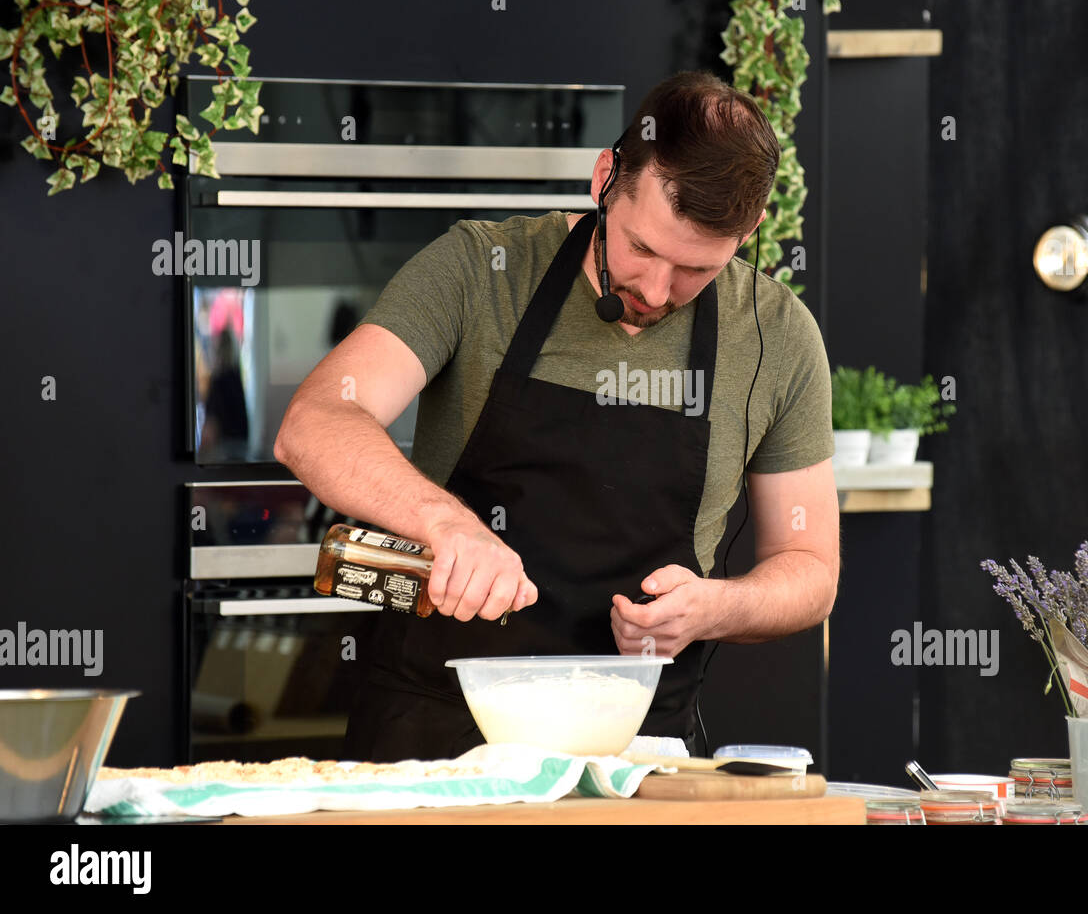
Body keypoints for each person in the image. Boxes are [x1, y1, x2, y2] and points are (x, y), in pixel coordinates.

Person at [274, 71, 840, 760]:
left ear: (749, 231)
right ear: (604, 176)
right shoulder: (483, 270)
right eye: (643, 248)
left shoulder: (779, 337)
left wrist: (716, 607)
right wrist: (447, 524)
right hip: (433, 750)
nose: (656, 291)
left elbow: (809, 566)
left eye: (696, 270)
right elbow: (316, 419)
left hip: (635, 763)